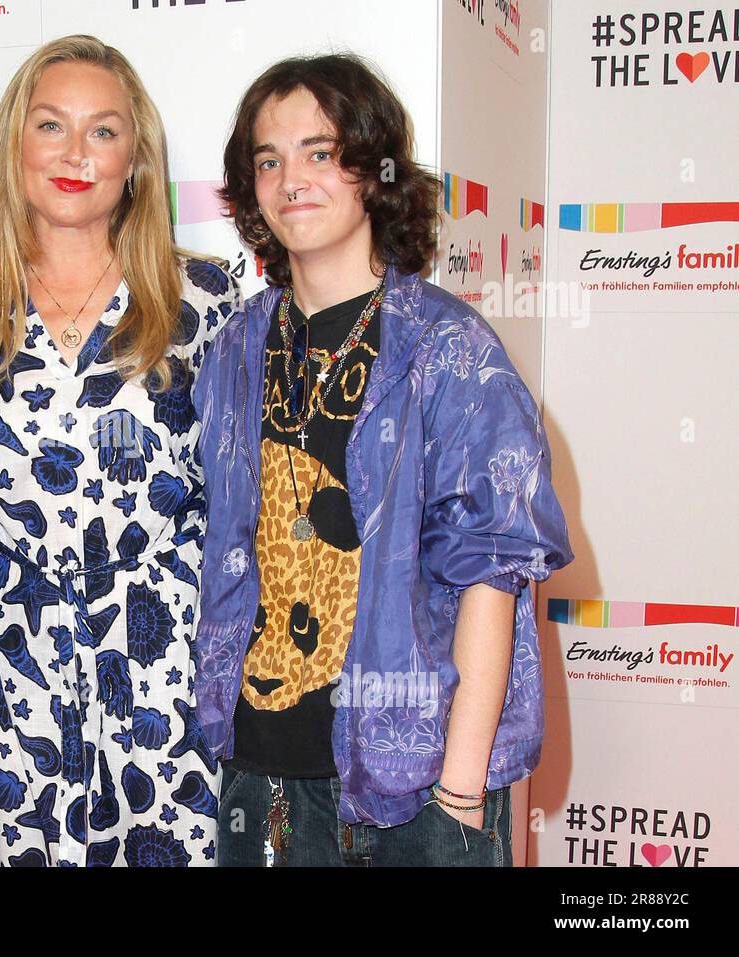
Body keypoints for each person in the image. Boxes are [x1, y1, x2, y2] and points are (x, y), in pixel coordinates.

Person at [195, 54, 572, 866]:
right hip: (260, 775)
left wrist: (461, 792)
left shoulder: (450, 350)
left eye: (319, 152)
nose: (291, 177)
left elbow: (492, 575)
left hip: (413, 786)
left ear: (372, 169)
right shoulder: (234, 349)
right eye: (269, 159)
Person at [0, 35, 240, 866]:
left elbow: (247, 488)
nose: (76, 154)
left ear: (136, 158)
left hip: (166, 666)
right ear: (16, 146)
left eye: (103, 131)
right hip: (17, 669)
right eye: (51, 126)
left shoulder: (204, 301)